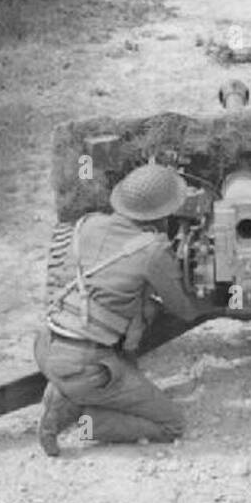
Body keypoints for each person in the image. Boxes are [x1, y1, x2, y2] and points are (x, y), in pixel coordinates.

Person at [34, 161, 204, 455]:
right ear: (164, 211)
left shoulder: (88, 224)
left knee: (139, 308)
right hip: (87, 365)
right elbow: (185, 311)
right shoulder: (151, 250)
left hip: (46, 345)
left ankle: (63, 393)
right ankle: (86, 420)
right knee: (172, 425)